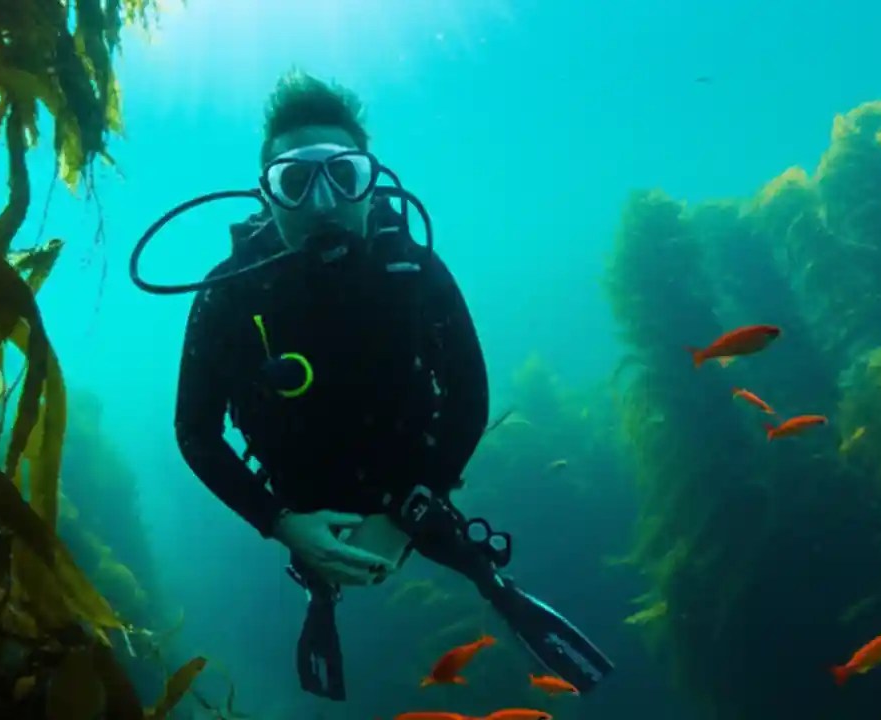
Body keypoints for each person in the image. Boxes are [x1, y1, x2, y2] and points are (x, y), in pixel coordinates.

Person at [140, 70, 613, 701]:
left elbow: (469, 400)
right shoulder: (230, 293)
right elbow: (194, 432)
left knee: (475, 573)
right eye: (294, 181)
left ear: (372, 182)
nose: (323, 202)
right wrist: (282, 524)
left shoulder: (413, 271)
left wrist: (410, 510)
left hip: (411, 490)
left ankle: (481, 585)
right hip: (305, 505)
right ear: (267, 195)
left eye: (345, 175)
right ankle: (321, 588)